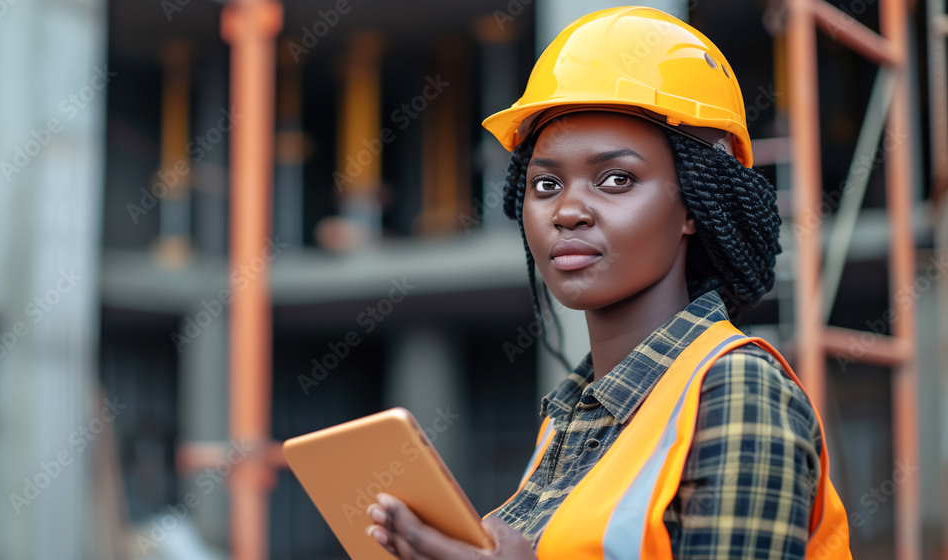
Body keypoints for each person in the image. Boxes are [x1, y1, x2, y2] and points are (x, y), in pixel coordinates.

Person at [364, 6, 852, 559]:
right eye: (545, 183)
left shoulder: (737, 390)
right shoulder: (570, 418)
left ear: (694, 205)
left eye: (616, 179)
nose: (567, 211)